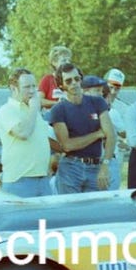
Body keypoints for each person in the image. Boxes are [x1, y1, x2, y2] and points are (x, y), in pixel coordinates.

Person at [48, 63, 115, 194]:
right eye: (68, 80)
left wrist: (105, 165)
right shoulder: (58, 110)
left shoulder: (97, 102)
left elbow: (111, 135)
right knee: (69, 211)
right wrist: (97, 134)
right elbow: (67, 145)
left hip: (96, 166)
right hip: (71, 168)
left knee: (95, 210)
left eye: (77, 79)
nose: (74, 83)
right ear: (61, 85)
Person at [0, 68, 53, 198]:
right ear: (13, 88)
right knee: (22, 218)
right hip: (19, 180)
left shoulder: (33, 111)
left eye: (34, 86)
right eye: (27, 87)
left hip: (42, 179)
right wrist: (34, 108)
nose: (32, 91)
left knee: (43, 219)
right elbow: (23, 133)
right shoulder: (7, 110)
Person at [39, 45, 71, 111]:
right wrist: (57, 103)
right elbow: (40, 100)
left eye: (69, 60)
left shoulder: (72, 79)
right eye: (64, 60)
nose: (68, 63)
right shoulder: (47, 79)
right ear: (54, 63)